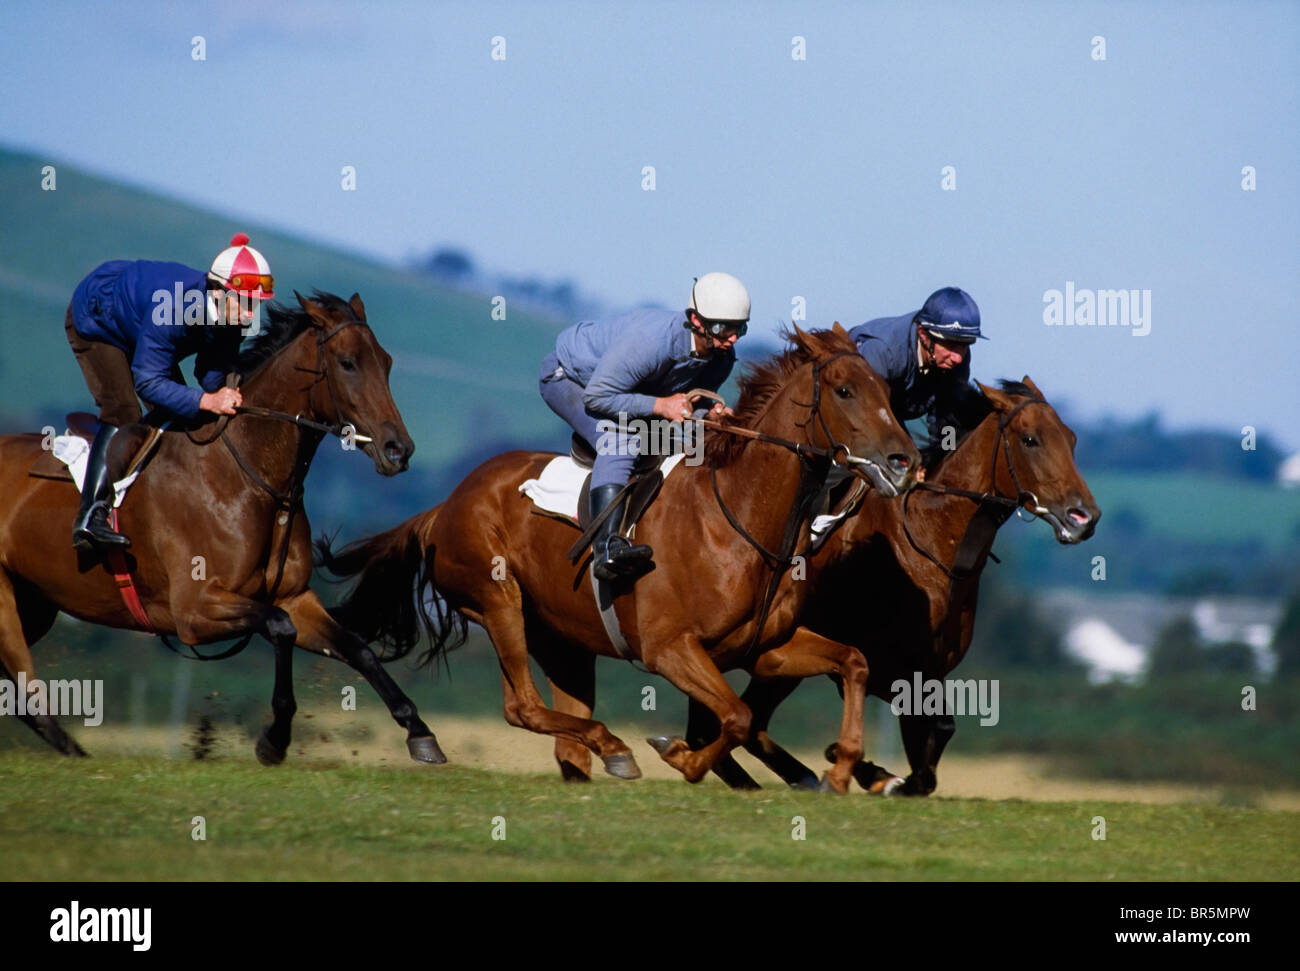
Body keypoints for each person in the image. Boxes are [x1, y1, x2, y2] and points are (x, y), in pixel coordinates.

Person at [65, 233, 275, 552]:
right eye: (245, 302)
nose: (250, 314)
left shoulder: (230, 315)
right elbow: (148, 381)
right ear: (218, 292)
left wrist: (228, 391)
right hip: (98, 320)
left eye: (256, 304)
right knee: (124, 413)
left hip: (141, 324)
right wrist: (207, 400)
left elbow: (210, 371)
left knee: (175, 417)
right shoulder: (175, 308)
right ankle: (90, 517)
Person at [539, 272, 749, 580]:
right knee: (620, 441)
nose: (731, 339)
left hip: (627, 389)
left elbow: (691, 402)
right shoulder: (651, 342)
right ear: (696, 321)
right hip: (571, 379)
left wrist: (712, 414)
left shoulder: (721, 356)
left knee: (678, 448)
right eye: (722, 329)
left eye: (739, 329)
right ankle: (607, 547)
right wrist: (661, 406)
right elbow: (599, 396)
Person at [848, 286, 987, 471]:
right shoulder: (883, 353)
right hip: (855, 412)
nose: (958, 357)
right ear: (923, 335)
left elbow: (948, 418)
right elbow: (867, 416)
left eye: (965, 345)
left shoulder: (957, 361)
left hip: (899, 408)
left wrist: (946, 459)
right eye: (951, 345)